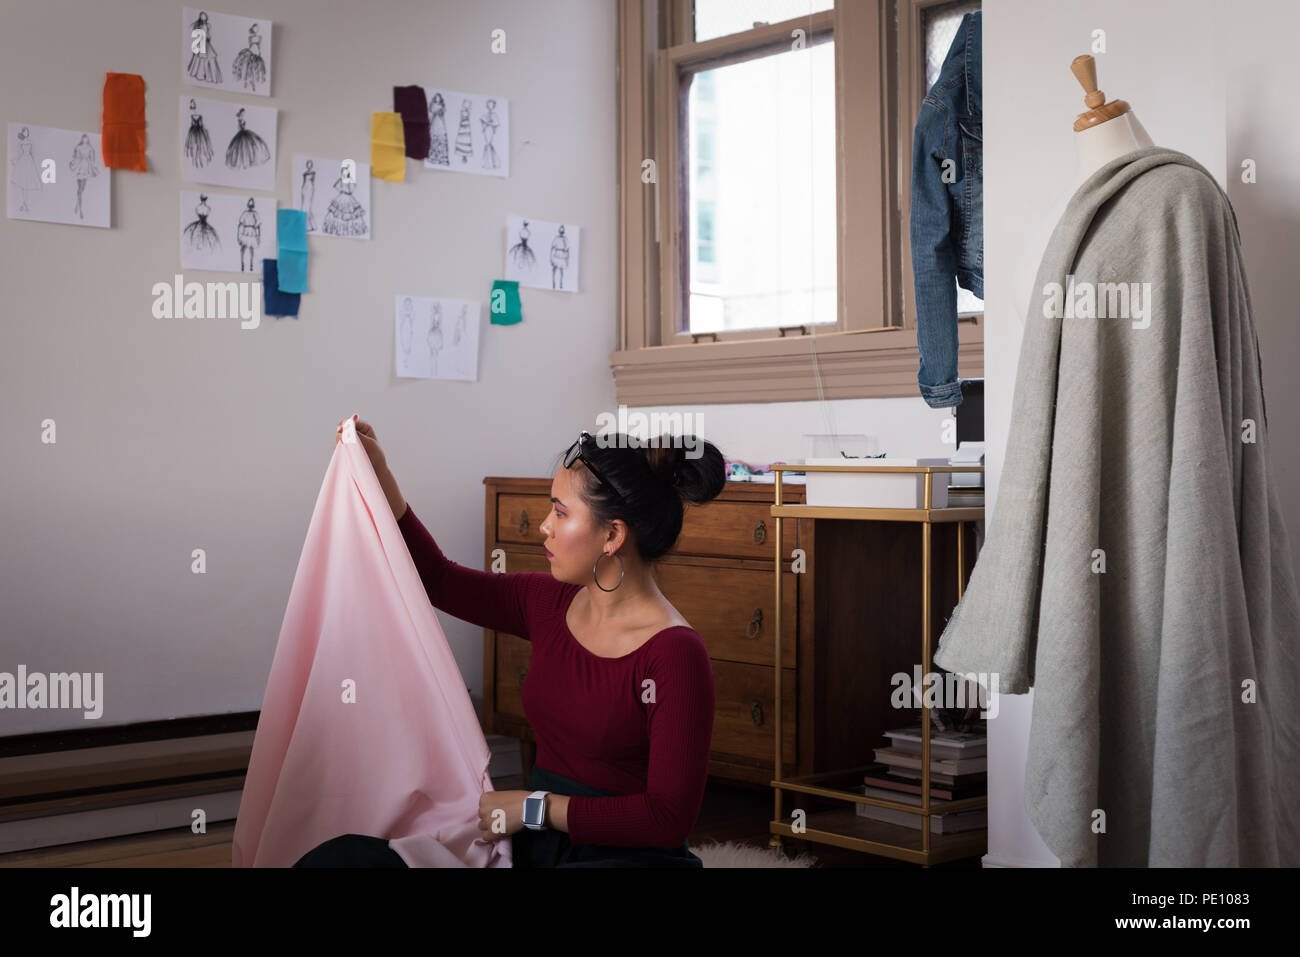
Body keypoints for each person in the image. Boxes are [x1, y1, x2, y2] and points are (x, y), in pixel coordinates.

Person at [294, 417, 725, 867]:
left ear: (613, 535)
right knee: (340, 859)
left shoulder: (675, 654)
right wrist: (380, 477)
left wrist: (536, 808)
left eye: (560, 512)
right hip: (534, 841)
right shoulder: (545, 601)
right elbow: (439, 580)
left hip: (626, 856)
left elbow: (667, 819)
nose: (544, 526)